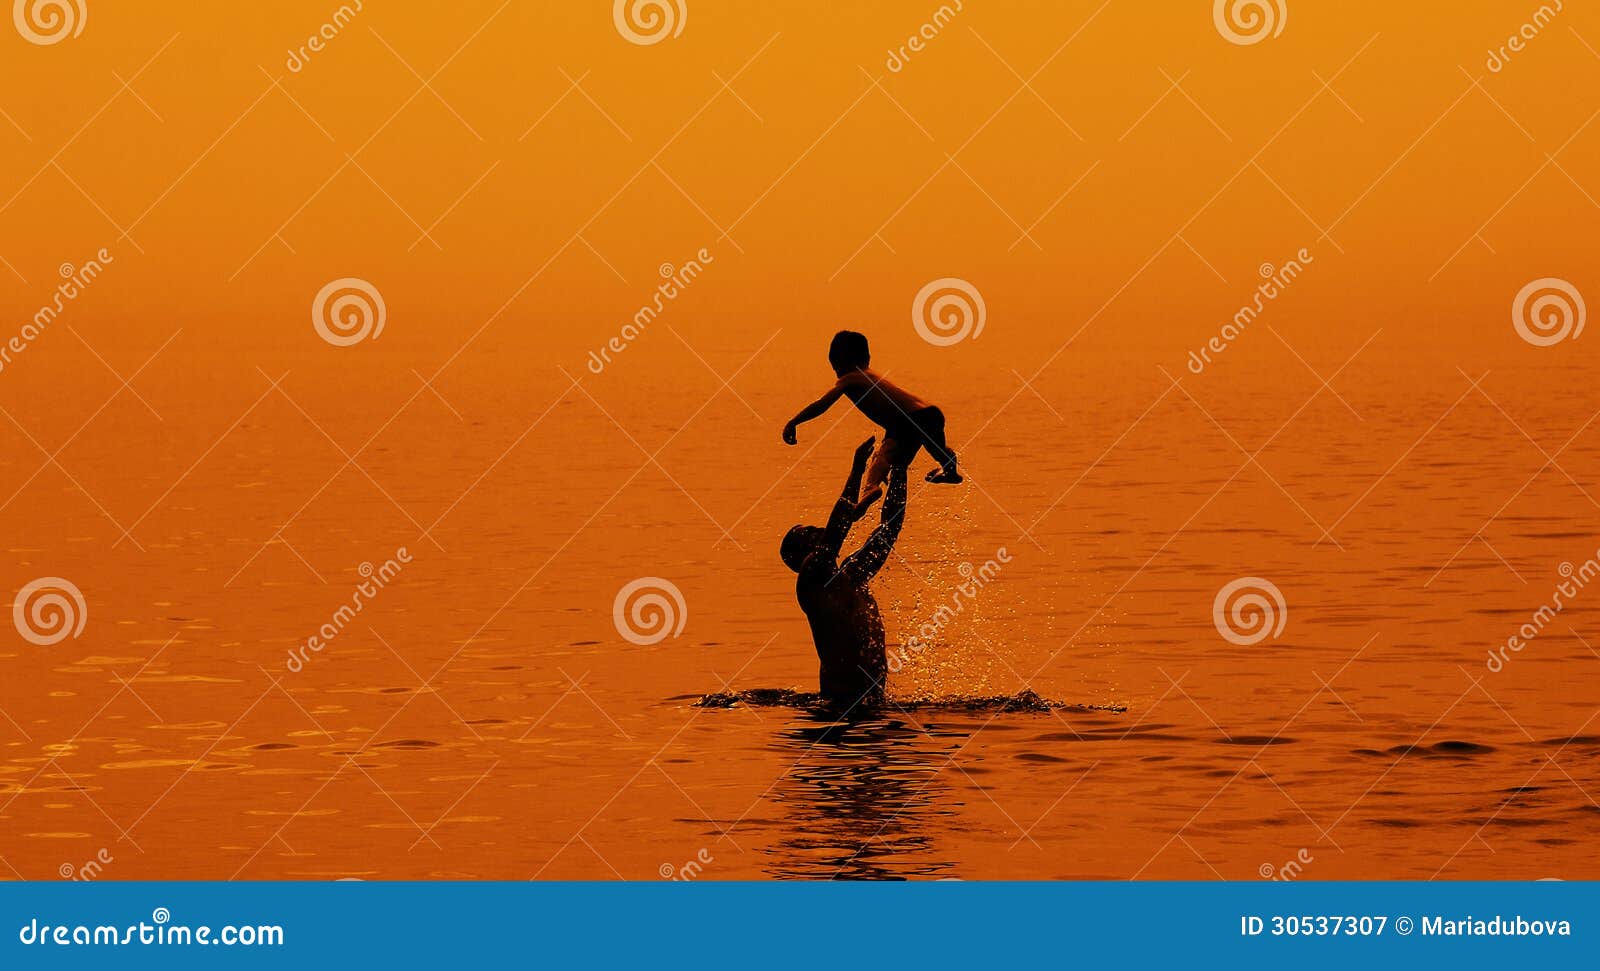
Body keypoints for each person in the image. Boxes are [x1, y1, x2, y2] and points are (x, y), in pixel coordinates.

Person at [780, 437, 908, 709]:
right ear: (804, 553)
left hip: (869, 702)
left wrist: (899, 469)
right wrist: (858, 469)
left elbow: (890, 527)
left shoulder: (852, 575)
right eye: (809, 532)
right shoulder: (812, 579)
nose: (818, 529)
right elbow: (838, 527)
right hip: (839, 706)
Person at [782, 331, 961, 516]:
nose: (837, 375)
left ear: (842, 362)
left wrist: (794, 422)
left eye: (836, 368)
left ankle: (871, 488)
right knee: (931, 453)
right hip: (930, 413)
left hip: (905, 421)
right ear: (867, 357)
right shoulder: (870, 374)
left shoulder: (850, 377)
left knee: (881, 458)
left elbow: (822, 404)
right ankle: (950, 471)